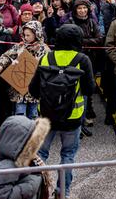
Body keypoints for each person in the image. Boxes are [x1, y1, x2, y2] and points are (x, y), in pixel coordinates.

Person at [28, 24, 96, 196]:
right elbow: (89, 89)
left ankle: (38, 191)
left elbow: (33, 90)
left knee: (40, 154)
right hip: (72, 117)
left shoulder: (47, 58)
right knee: (68, 155)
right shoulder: (82, 59)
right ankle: (62, 192)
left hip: (46, 116)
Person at [0, 21, 50, 119]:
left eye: (28, 35)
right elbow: (7, 55)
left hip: (34, 89)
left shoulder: (45, 49)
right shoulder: (20, 46)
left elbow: (48, 66)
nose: (26, 37)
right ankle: (20, 133)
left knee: (33, 115)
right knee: (19, 114)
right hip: (19, 89)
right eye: (24, 35)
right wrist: (1, 65)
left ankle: (32, 133)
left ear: (36, 34)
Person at [0, 115, 51, 199]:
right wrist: (32, 184)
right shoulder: (6, 166)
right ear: (21, 142)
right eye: (32, 142)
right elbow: (0, 196)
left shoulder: (31, 160)